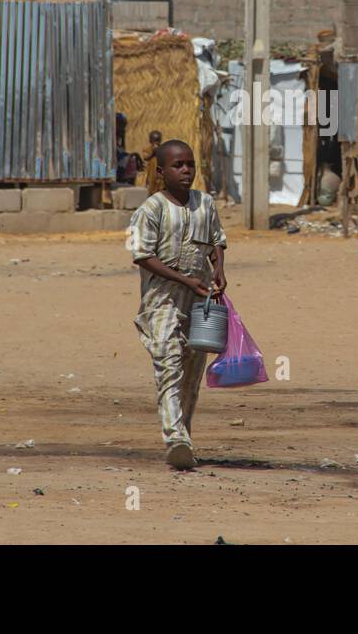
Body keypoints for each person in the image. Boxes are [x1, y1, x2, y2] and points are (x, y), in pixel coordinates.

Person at [128, 139, 227, 471]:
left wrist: (219, 270)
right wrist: (185, 280)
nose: (186, 171)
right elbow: (143, 256)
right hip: (163, 301)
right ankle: (175, 438)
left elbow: (216, 242)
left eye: (190, 164)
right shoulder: (151, 210)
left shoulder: (205, 204)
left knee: (192, 370)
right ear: (161, 172)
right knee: (168, 363)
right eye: (177, 165)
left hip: (200, 303)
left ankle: (185, 435)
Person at [141, 129, 165, 195]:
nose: (156, 143)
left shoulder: (162, 148)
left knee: (161, 185)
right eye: (154, 141)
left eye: (158, 140)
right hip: (151, 172)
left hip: (160, 172)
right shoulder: (147, 149)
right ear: (150, 141)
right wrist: (152, 152)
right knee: (151, 186)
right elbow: (145, 157)